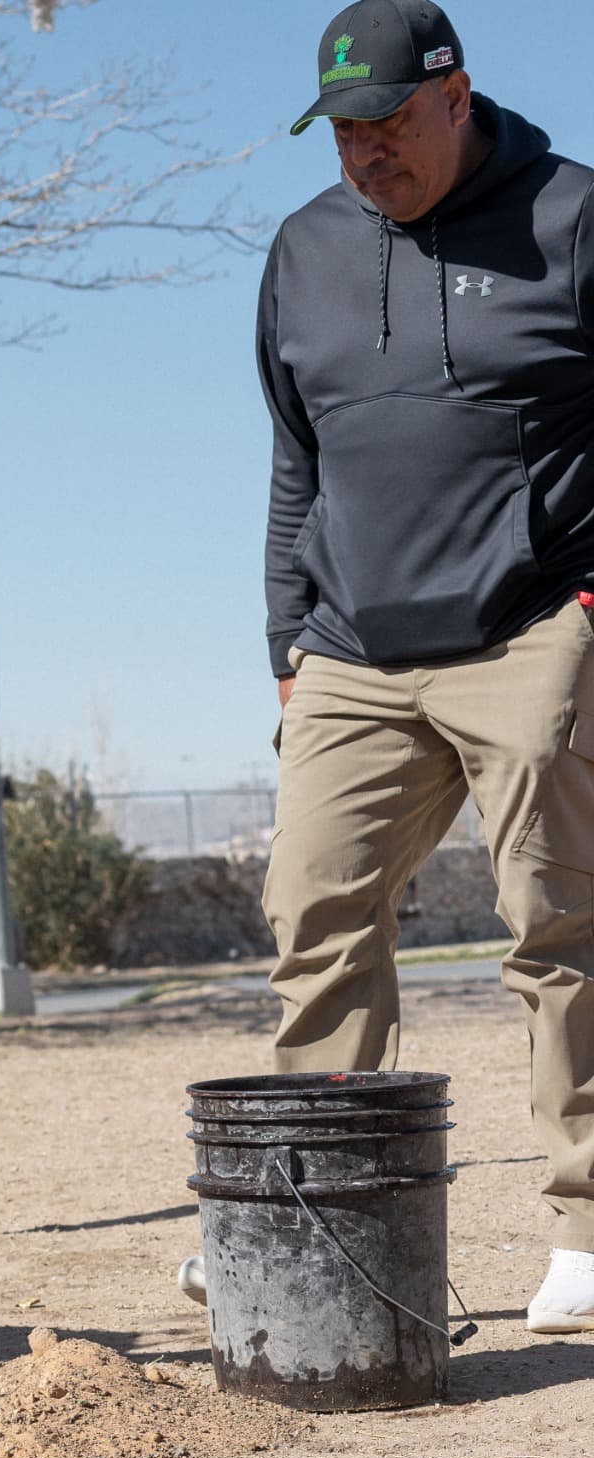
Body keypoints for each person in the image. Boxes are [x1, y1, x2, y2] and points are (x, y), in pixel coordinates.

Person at [228, 0, 594, 1332]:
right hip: (350, 651)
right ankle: (325, 1217)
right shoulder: (304, 250)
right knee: (313, 915)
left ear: (456, 95)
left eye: (386, 123)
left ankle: (590, 1226)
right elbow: (293, 460)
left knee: (561, 922)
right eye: (340, 132)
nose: (364, 154)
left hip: (535, 625)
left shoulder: (571, 216)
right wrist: (285, 640)